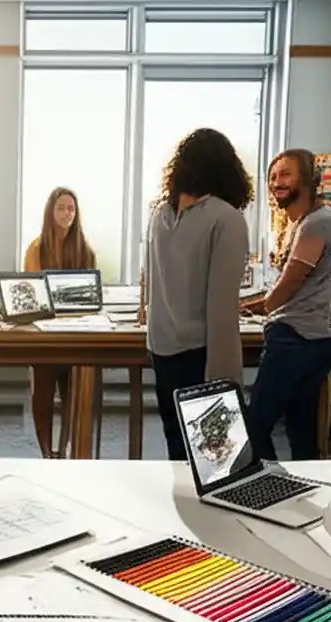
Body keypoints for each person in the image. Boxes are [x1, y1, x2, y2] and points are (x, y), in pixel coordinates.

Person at [144, 128, 253, 461]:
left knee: (178, 451)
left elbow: (151, 282)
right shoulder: (226, 219)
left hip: (162, 349)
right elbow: (221, 307)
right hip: (202, 354)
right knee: (219, 462)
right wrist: (226, 381)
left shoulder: (160, 215)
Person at [242, 149, 331, 460]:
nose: (276, 182)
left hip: (295, 339)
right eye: (272, 176)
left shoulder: (315, 225)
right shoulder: (303, 222)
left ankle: (269, 484)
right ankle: (305, 494)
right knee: (300, 432)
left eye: (286, 174)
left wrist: (237, 307)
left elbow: (284, 291)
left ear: (308, 178)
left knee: (255, 425)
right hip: (312, 338)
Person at [23, 187, 96, 458]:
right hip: (43, 333)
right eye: (62, 208)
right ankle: (45, 451)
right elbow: (31, 292)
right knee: (42, 394)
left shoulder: (84, 249)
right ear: (51, 212)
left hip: (74, 332)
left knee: (71, 395)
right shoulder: (37, 247)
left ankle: (63, 449)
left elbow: (89, 294)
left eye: (71, 209)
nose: (67, 213)